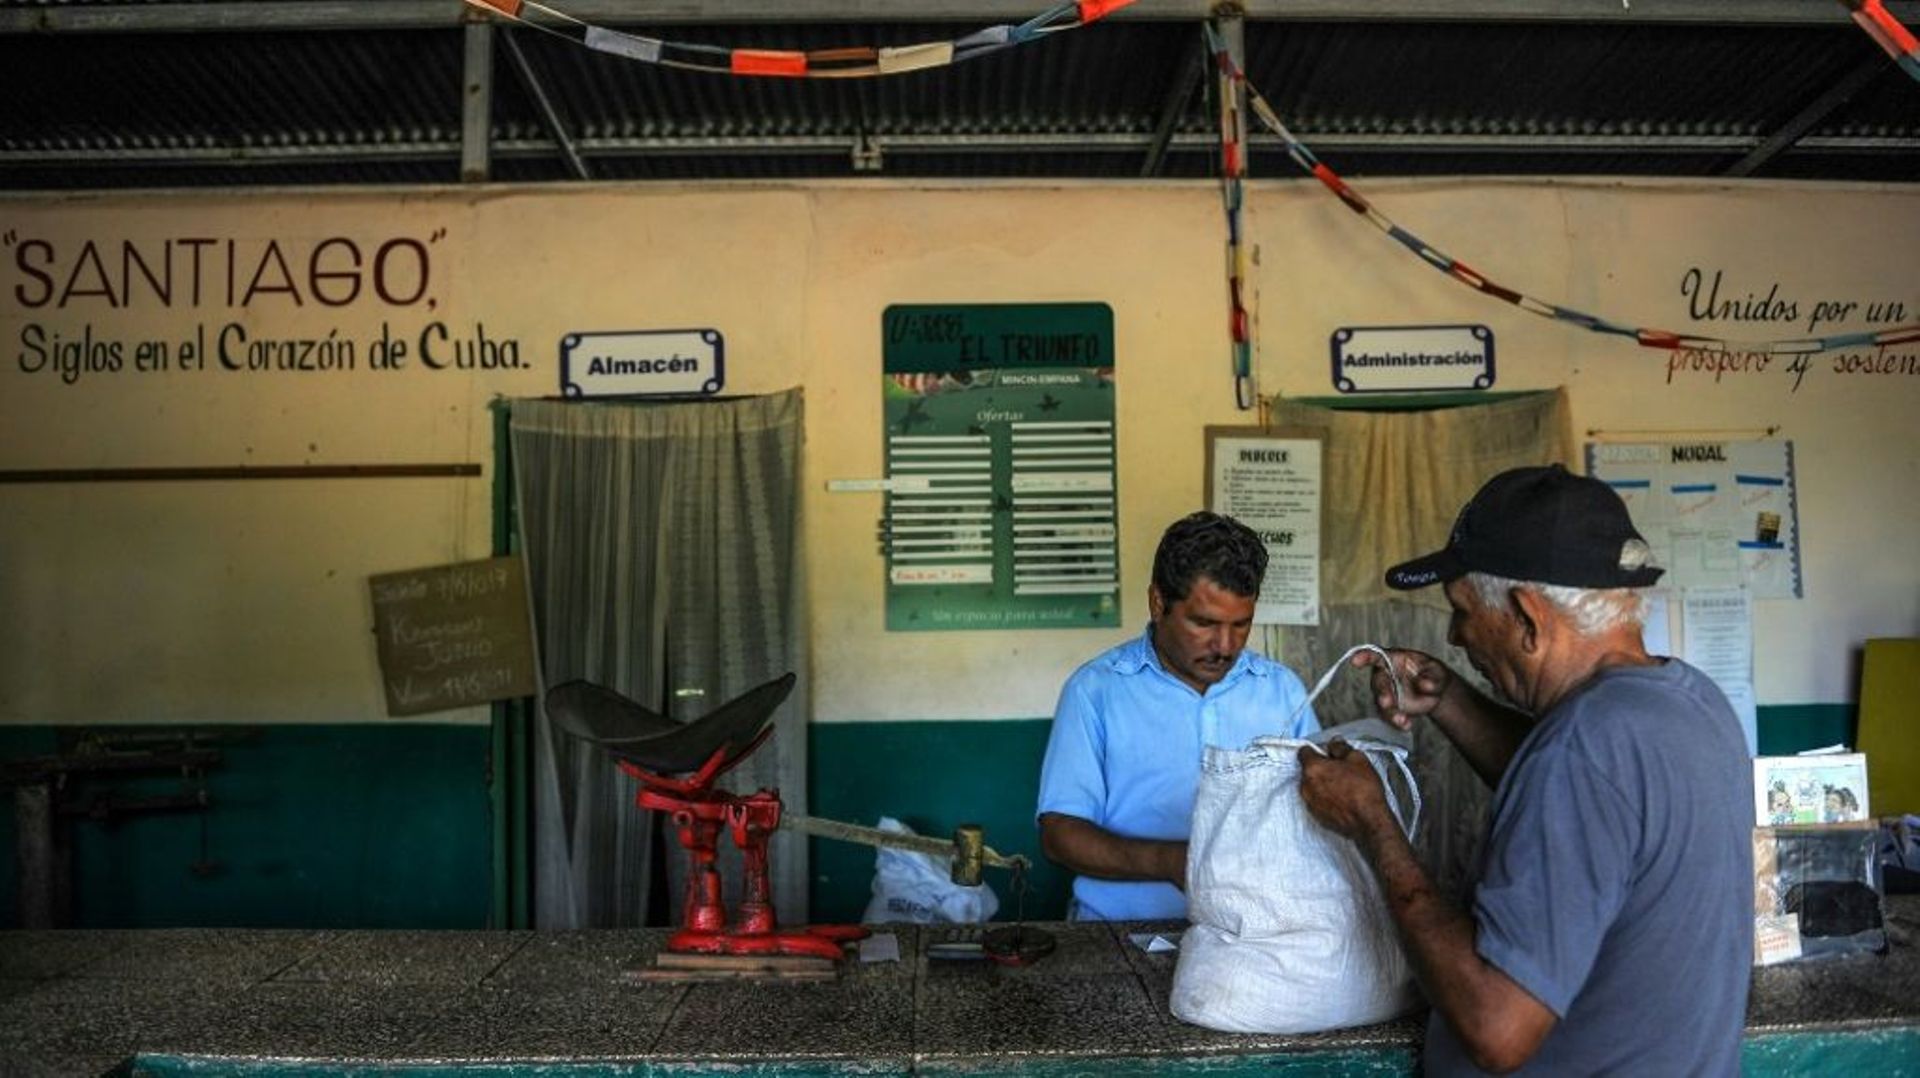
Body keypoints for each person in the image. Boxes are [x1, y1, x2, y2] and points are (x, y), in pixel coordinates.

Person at [1296, 464, 1751, 1075]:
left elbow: (1497, 1028)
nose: (1455, 636)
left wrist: (1373, 824)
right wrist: (1450, 699)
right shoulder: (1690, 702)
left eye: (1461, 610)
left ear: (1528, 617)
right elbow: (1592, 810)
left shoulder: (1583, 752)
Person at [1036, 511, 1317, 920]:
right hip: (1120, 931)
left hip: (1253, 932)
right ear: (1158, 603)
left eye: (1241, 625)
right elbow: (1060, 833)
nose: (1225, 646)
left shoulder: (1281, 691)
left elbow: (1318, 810)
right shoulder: (1095, 691)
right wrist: (1172, 862)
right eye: (1204, 623)